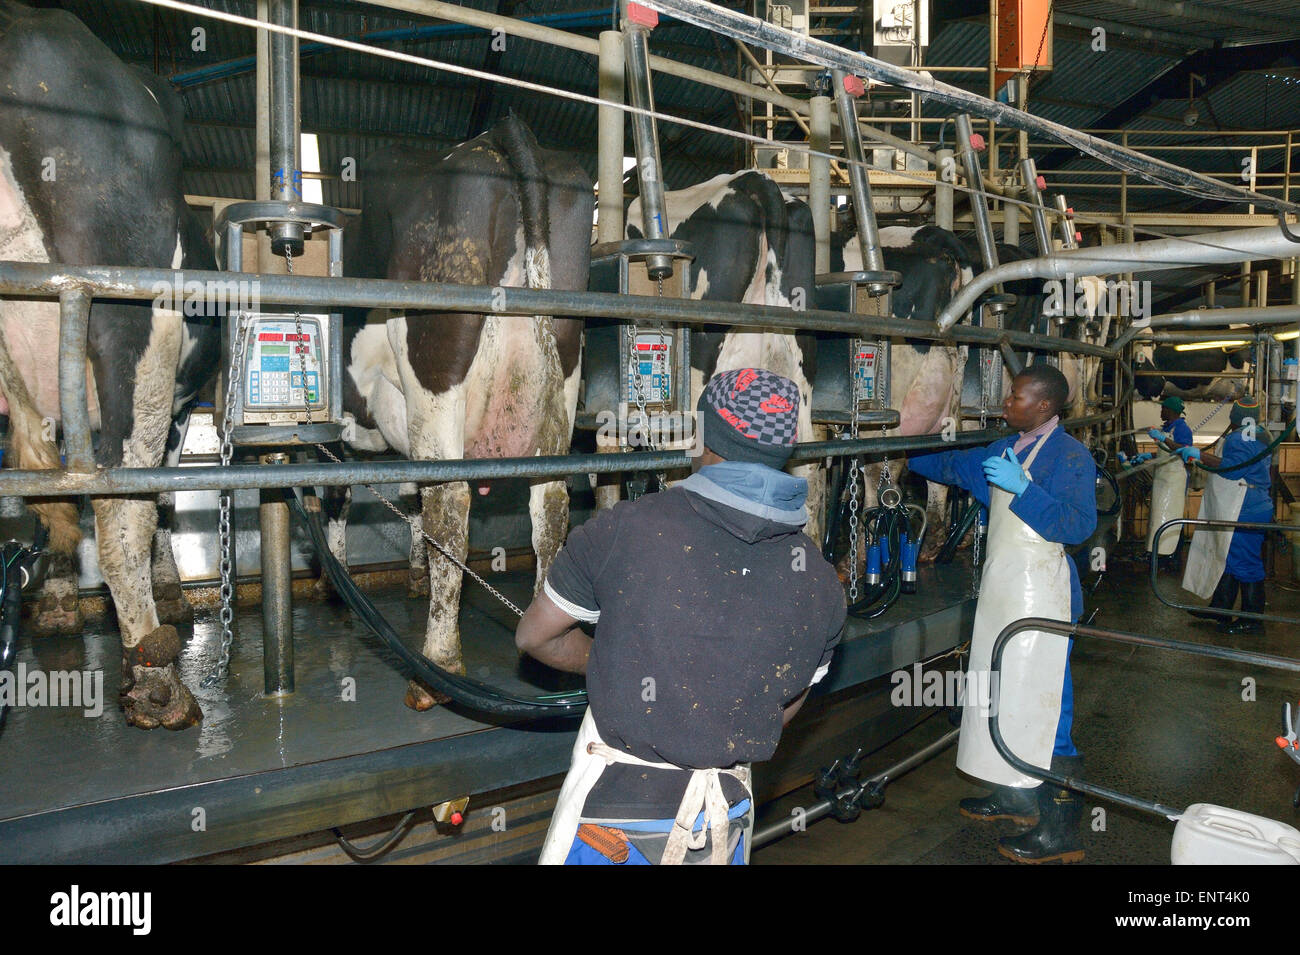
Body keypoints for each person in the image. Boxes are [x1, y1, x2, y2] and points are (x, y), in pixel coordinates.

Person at [516, 367, 846, 865]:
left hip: (616, 818)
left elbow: (534, 637)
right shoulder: (820, 581)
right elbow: (784, 701)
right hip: (725, 819)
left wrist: (626, 663)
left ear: (704, 438)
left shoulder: (623, 529)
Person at [907, 363, 1097, 863]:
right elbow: (949, 466)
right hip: (1004, 590)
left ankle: (1061, 831)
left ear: (1044, 406)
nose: (1003, 405)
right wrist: (899, 443)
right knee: (1002, 690)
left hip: (1046, 594)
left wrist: (1025, 488)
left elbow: (1076, 526)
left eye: (1014, 398)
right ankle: (1015, 796)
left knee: (1047, 703)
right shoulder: (1001, 449)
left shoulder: (1072, 458)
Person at [1178, 396, 1273, 635]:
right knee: (1230, 557)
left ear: (1234, 416)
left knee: (1245, 561)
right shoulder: (1261, 433)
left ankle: (1252, 620)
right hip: (1254, 502)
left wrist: (1199, 455)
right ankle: (1221, 607)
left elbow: (1232, 470)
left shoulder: (1239, 437)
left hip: (1243, 506)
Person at [1144, 396, 1193, 566]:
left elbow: (1184, 452)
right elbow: (1166, 452)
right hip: (1162, 479)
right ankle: (1158, 555)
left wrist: (1163, 439)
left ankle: (1172, 558)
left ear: (1171, 411)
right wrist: (1146, 456)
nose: (1161, 411)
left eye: (1163, 408)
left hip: (1174, 481)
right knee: (1159, 517)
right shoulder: (1168, 427)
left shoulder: (1182, 429)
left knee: (1172, 518)